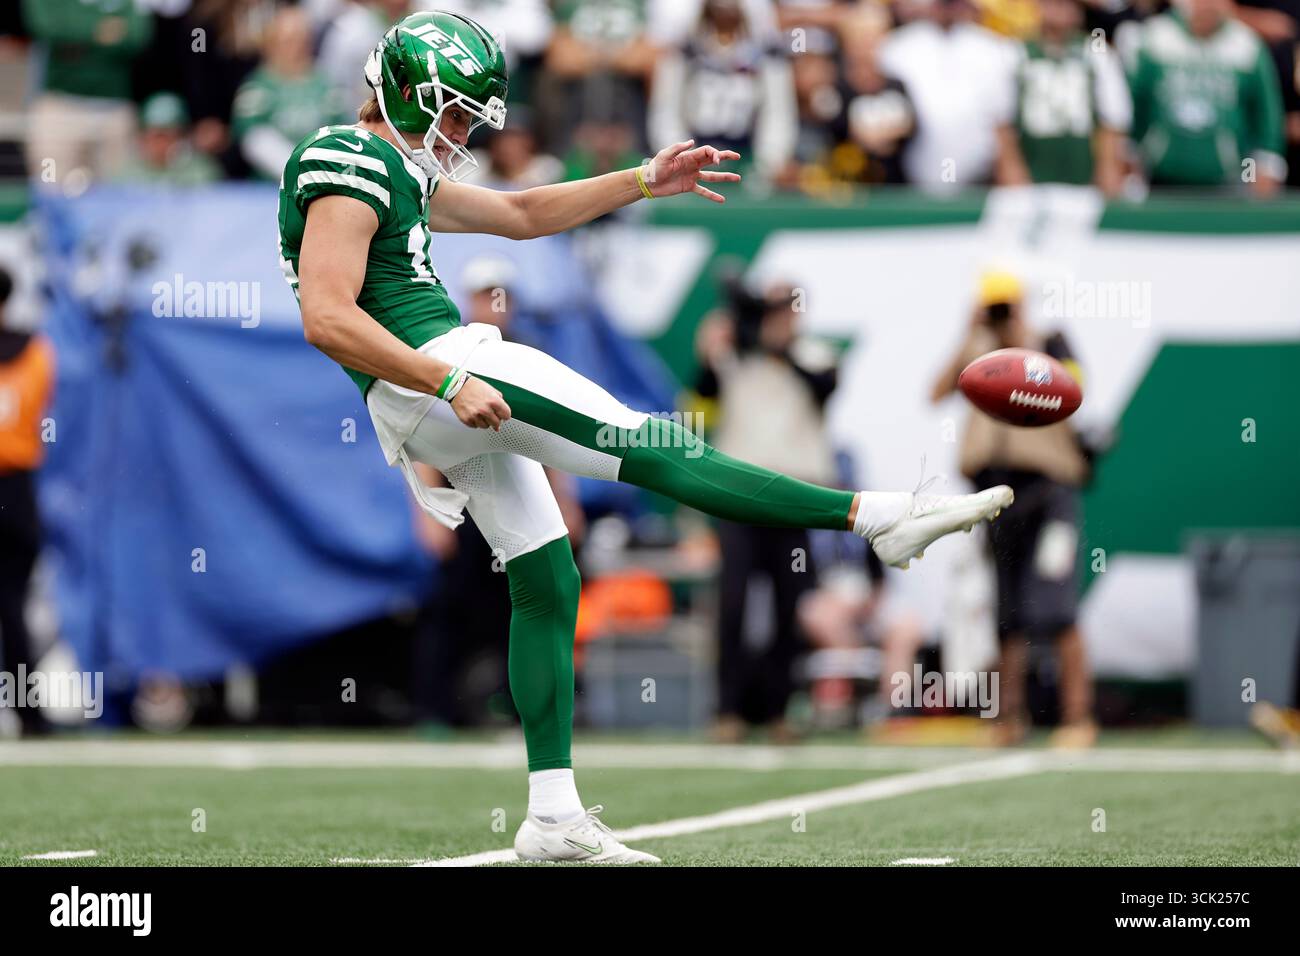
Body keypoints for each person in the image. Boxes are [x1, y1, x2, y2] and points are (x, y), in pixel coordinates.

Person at [278, 10, 1014, 864]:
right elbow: (326, 318)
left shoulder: (391, 164)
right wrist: (447, 378)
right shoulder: (346, 159)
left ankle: (552, 817)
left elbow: (519, 212)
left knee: (546, 577)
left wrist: (639, 180)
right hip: (437, 365)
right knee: (652, 444)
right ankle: (876, 517)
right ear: (404, 93)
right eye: (451, 113)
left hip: (427, 383)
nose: (459, 132)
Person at [931, 270, 1095, 748]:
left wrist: (1027, 345)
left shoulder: (1049, 342)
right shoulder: (978, 354)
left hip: (1048, 488)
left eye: (1006, 307)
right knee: (1009, 610)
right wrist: (971, 336)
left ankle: (1078, 717)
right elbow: (935, 393)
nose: (1001, 317)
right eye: (994, 308)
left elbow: (1076, 388)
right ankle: (1009, 717)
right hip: (996, 493)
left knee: (1057, 604)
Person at [694, 280, 839, 743]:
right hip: (738, 491)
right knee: (732, 604)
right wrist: (710, 351)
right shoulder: (736, 354)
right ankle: (728, 711)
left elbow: (824, 387)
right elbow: (702, 393)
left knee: (788, 605)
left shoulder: (814, 354)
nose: (777, 318)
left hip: (792, 494)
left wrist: (781, 348)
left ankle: (781, 710)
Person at [1126, 0, 1287, 194]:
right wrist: (1128, 156)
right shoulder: (1155, 38)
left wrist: (1266, 165)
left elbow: (1266, 114)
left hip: (1230, 178)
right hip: (1159, 176)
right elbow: (1133, 105)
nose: (1207, 5)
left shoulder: (1246, 44)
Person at [995, 0, 1131, 195]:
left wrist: (1107, 172)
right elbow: (1001, 122)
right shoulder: (1013, 52)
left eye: (1069, 4)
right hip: (1032, 175)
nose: (1061, 9)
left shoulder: (1097, 53)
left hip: (1083, 178)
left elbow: (1113, 121)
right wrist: (1013, 172)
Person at [0, 266, 55, 737]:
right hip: (16, 487)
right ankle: (28, 713)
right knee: (13, 603)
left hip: (13, 481)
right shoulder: (36, 352)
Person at [113, 92, 224, 187]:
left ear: (181, 137)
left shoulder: (201, 171)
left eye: (166, 136)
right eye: (155, 136)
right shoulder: (126, 174)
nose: (160, 144)